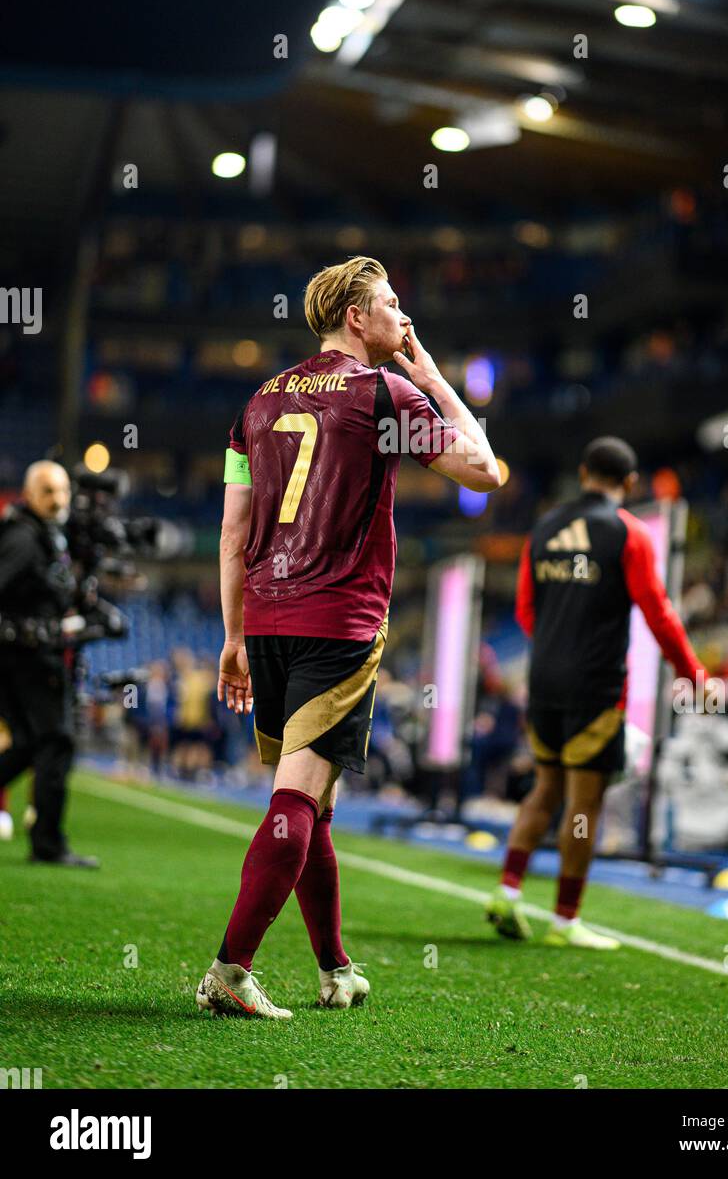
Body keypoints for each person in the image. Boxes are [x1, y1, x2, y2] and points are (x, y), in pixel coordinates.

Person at [196, 256, 502, 1019]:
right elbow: (485, 471)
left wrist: (233, 635)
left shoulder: (259, 400)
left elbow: (233, 530)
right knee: (296, 799)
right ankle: (230, 969)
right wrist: (432, 376)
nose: (405, 318)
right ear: (356, 318)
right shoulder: (383, 390)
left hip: (266, 618)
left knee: (315, 804)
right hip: (338, 620)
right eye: (393, 304)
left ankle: (336, 968)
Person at [486, 437, 706, 948]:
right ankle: (565, 921)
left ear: (584, 472)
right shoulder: (627, 533)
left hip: (542, 681)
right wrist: (693, 674)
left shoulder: (541, 529)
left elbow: (524, 612)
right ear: (629, 484)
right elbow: (658, 612)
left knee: (545, 790)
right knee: (584, 807)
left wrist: (555, 647)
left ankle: (507, 891)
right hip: (595, 684)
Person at [0, 461, 99, 867]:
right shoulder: (24, 538)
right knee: (57, 741)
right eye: (47, 491)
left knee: (26, 743)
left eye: (61, 491)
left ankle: (46, 840)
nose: (57, 500)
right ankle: (47, 844)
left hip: (22, 657)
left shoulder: (40, 532)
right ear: (28, 493)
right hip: (28, 659)